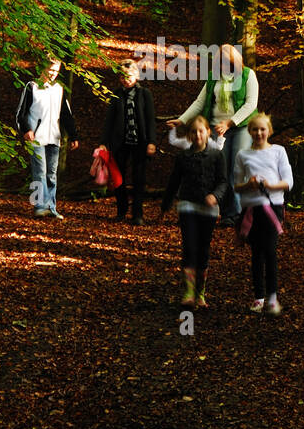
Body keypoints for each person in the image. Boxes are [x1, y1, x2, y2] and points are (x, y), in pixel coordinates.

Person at [168, 43, 258, 227]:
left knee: (237, 169)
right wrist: (182, 120)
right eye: (221, 62)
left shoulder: (248, 75)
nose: (224, 65)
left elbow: (251, 105)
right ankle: (227, 214)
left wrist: (230, 122)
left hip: (241, 127)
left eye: (228, 62)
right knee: (221, 172)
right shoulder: (213, 78)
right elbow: (200, 102)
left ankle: (241, 212)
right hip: (217, 129)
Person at [160, 115, 227, 309]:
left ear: (208, 132)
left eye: (201, 131)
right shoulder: (182, 157)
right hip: (187, 204)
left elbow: (224, 181)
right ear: (189, 136)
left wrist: (215, 196)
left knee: (203, 249)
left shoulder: (217, 156)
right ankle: (188, 291)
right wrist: (165, 205)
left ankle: (201, 293)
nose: (197, 135)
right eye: (193, 132)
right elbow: (174, 181)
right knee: (189, 246)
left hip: (209, 208)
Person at [233, 113, 291, 316]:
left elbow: (288, 181)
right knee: (256, 254)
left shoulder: (278, 151)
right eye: (255, 129)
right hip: (251, 210)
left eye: (262, 129)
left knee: (270, 252)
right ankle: (259, 297)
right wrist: (249, 184)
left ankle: (273, 298)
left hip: (273, 207)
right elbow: (237, 186)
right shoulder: (243, 155)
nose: (259, 133)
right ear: (249, 132)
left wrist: (270, 185)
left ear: (269, 131)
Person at [15, 56, 79, 220]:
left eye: (56, 71)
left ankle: (51, 207)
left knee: (51, 173)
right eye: (50, 70)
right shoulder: (32, 87)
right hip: (36, 137)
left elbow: (66, 115)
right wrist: (26, 130)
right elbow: (20, 114)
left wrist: (73, 136)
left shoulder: (59, 89)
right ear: (42, 68)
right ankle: (39, 206)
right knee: (39, 172)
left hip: (54, 137)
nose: (53, 74)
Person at [97, 59, 157, 225]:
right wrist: (104, 142)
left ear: (137, 75)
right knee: (119, 178)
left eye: (129, 75)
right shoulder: (116, 94)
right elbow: (109, 121)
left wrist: (152, 141)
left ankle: (138, 214)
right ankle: (121, 210)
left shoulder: (145, 94)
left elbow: (150, 119)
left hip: (140, 142)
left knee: (139, 178)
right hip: (120, 143)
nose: (126, 79)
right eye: (122, 76)